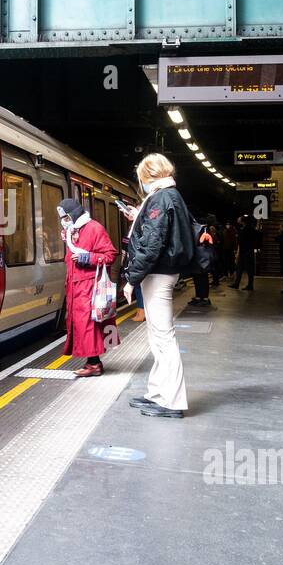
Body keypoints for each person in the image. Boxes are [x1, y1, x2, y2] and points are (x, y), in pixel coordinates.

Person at [121, 153, 196, 418]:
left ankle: (172, 402)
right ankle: (157, 393)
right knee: (157, 337)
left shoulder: (161, 198)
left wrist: (131, 280)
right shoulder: (168, 196)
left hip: (159, 275)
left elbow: (152, 244)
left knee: (164, 337)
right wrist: (139, 216)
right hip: (162, 274)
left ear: (147, 177)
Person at [58, 197, 118, 377]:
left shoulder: (94, 228)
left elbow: (110, 255)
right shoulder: (73, 230)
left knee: (88, 324)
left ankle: (94, 365)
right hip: (76, 286)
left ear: (74, 214)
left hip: (90, 286)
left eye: (66, 217)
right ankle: (93, 362)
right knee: (82, 324)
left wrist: (88, 258)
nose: (63, 221)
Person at [231, 215, 261, 290]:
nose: (238, 219)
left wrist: (238, 252)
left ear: (243, 221)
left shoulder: (245, 229)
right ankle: (239, 284)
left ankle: (245, 285)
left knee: (245, 268)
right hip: (247, 251)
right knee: (242, 268)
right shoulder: (249, 229)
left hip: (245, 251)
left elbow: (241, 242)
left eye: (240, 219)